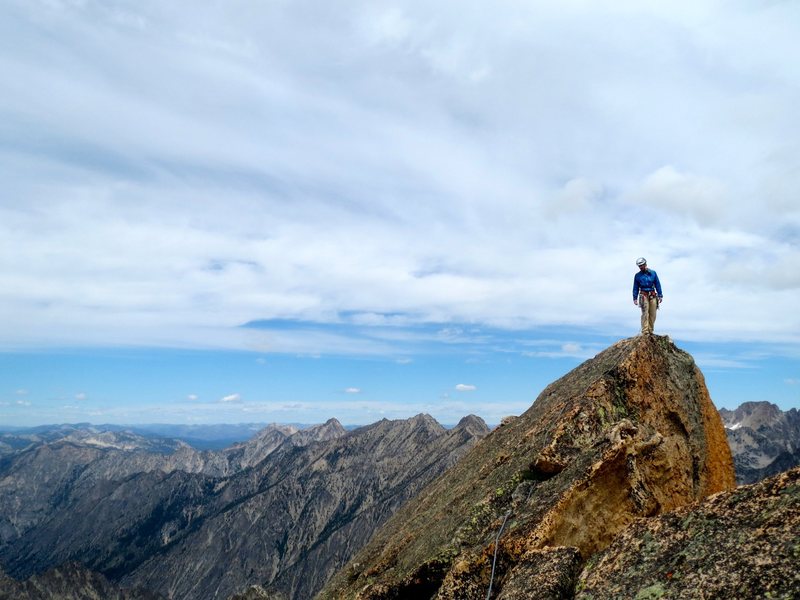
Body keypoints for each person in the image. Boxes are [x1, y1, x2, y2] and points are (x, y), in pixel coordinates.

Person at [632, 257, 663, 335]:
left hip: (652, 295)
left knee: (653, 314)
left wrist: (660, 295)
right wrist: (635, 298)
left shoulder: (653, 273)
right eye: (639, 266)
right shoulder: (637, 276)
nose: (640, 267)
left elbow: (657, 284)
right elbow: (635, 287)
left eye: (641, 265)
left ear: (645, 264)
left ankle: (650, 330)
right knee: (645, 313)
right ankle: (645, 331)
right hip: (643, 295)